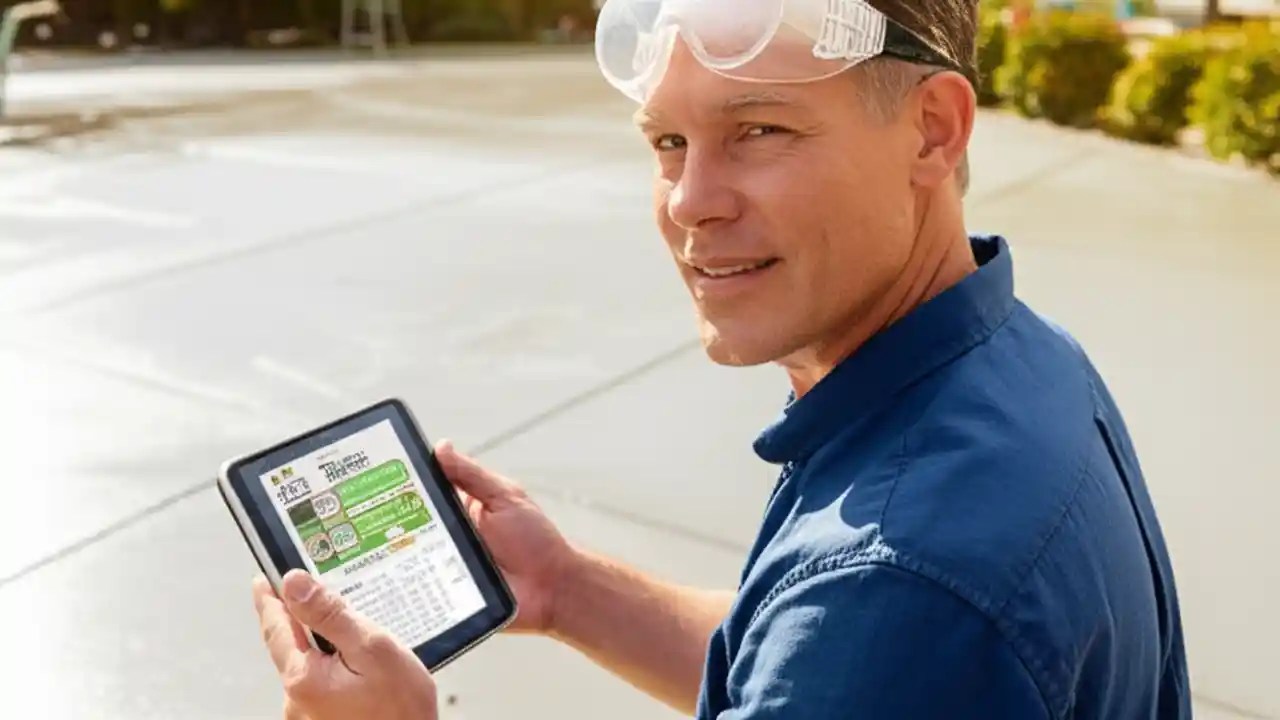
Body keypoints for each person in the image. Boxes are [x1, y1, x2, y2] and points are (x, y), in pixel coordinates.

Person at [252, 0, 1191, 717]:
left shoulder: (899, 582)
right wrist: (565, 588)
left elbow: (862, 635)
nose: (691, 202)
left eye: (760, 130)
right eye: (668, 142)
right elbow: (802, 655)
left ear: (932, 130)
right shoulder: (1016, 358)